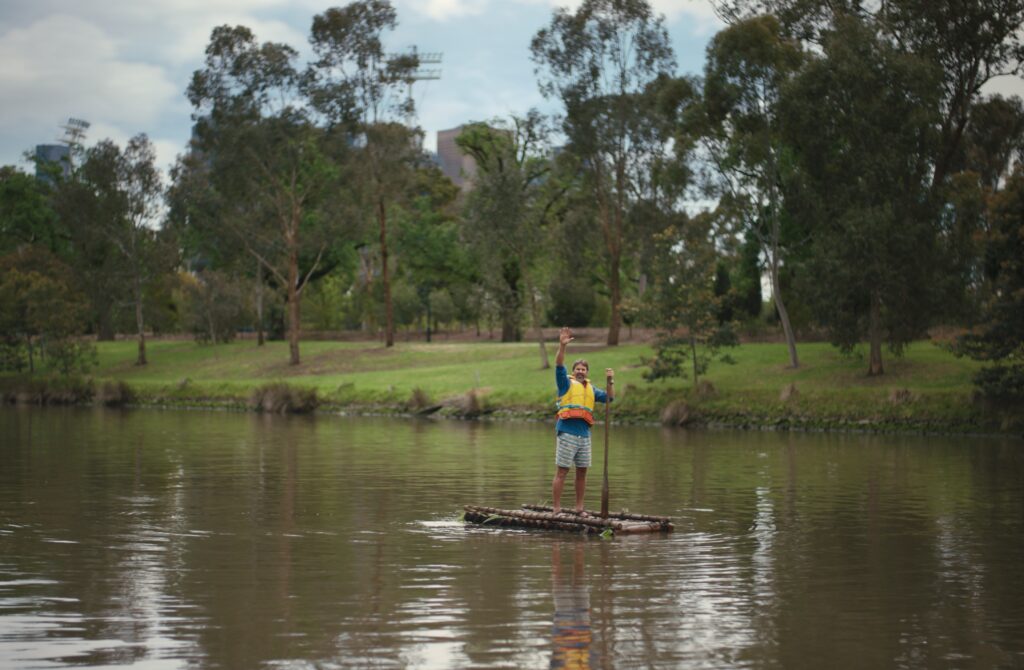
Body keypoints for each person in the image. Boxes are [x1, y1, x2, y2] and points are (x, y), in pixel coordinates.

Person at [552, 326, 613, 516]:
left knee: (582, 473)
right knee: (562, 472)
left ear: (587, 372)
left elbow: (610, 398)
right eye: (578, 369)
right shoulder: (565, 383)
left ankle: (579, 508)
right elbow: (559, 364)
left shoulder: (592, 390)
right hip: (567, 433)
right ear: (573, 371)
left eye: (583, 369)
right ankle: (556, 508)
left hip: (584, 436)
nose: (580, 371)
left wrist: (610, 381)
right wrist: (562, 347)